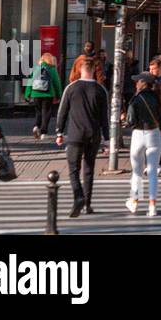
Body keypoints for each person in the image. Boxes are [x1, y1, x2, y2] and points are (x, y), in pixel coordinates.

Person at [55, 57, 109, 217]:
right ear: (93, 70)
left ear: (80, 70)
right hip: (93, 135)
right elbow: (104, 118)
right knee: (89, 169)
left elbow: (62, 112)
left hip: (75, 134)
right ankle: (87, 204)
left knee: (73, 169)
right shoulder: (100, 90)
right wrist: (107, 140)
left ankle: (78, 196)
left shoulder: (71, 88)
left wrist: (59, 132)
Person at [123, 73, 161, 216]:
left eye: (137, 81)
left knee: (137, 172)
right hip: (154, 133)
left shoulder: (136, 99)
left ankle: (134, 201)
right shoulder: (158, 97)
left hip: (138, 134)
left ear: (142, 83)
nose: (135, 84)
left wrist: (125, 120)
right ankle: (152, 205)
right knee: (153, 172)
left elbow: (131, 120)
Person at [24, 52, 63, 138]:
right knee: (46, 112)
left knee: (38, 111)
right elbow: (57, 83)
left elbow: (30, 82)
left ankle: (36, 126)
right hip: (48, 94)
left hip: (36, 93)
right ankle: (43, 132)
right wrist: (59, 95)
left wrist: (27, 94)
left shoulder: (36, 69)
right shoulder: (52, 69)